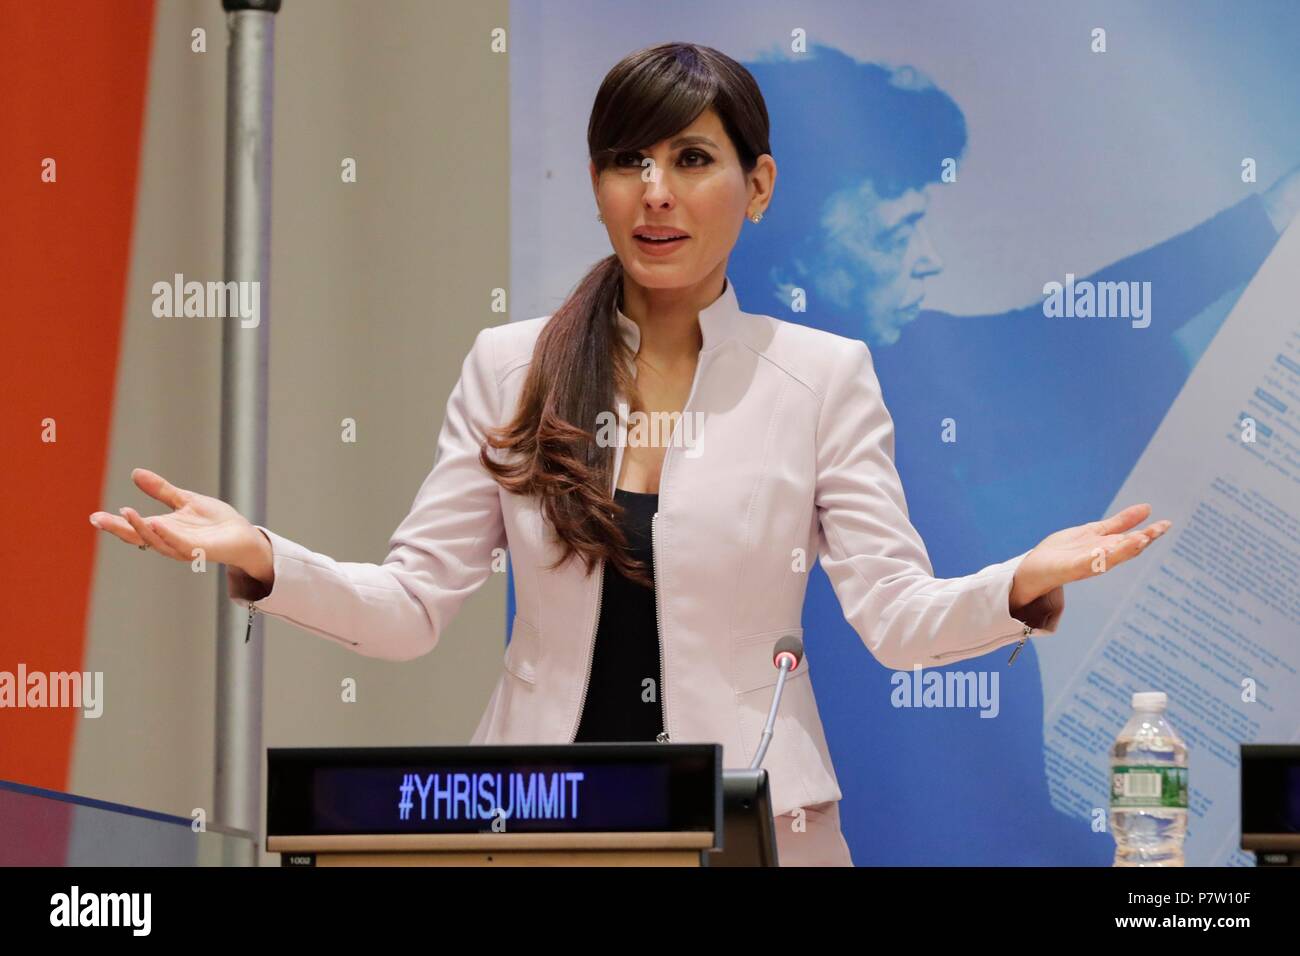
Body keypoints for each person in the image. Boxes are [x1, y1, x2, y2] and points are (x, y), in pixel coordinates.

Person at [89, 41, 1171, 867]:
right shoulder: (511, 363)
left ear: (756, 187)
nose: (654, 190)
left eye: (691, 159)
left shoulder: (822, 374)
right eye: (626, 160)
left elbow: (892, 617)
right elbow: (411, 603)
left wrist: (1017, 584)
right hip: (537, 822)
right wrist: (261, 554)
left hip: (751, 826)